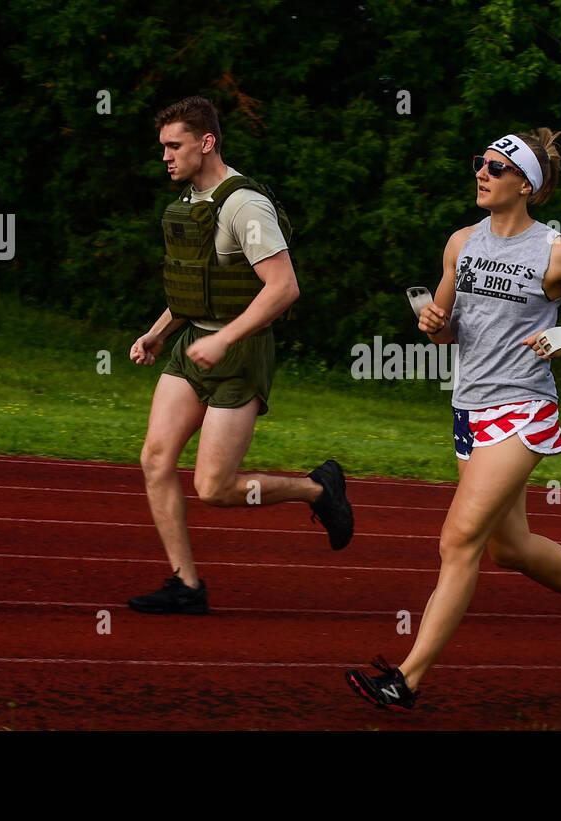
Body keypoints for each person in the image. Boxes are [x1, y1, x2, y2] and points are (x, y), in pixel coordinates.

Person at [345, 129, 561, 711]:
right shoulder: (461, 243)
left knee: (459, 540)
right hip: (468, 405)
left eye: (496, 167)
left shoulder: (558, 253)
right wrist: (434, 323)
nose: (481, 172)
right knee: (509, 548)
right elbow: (453, 325)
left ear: (525, 185)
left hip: (524, 406)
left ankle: (406, 678)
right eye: (479, 162)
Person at [126, 95, 353, 615]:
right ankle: (186, 586)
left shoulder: (244, 206)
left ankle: (317, 490)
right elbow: (201, 287)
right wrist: (160, 332)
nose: (165, 156)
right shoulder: (189, 202)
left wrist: (225, 339)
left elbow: (283, 287)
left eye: (174, 145)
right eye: (162, 146)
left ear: (206, 143)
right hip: (192, 346)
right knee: (155, 460)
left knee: (214, 488)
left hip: (238, 351)